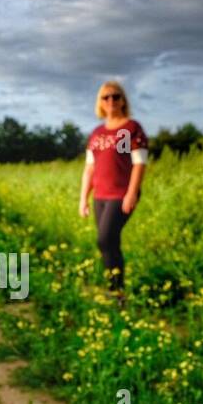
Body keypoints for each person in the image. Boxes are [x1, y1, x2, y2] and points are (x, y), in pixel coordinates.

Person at [78, 80, 147, 296]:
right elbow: (90, 168)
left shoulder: (128, 129)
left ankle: (117, 291)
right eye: (105, 97)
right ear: (100, 102)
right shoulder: (98, 133)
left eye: (116, 96)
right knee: (110, 243)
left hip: (120, 194)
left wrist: (131, 192)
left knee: (105, 239)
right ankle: (116, 291)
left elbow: (136, 163)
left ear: (123, 100)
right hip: (100, 195)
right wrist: (83, 199)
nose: (111, 101)